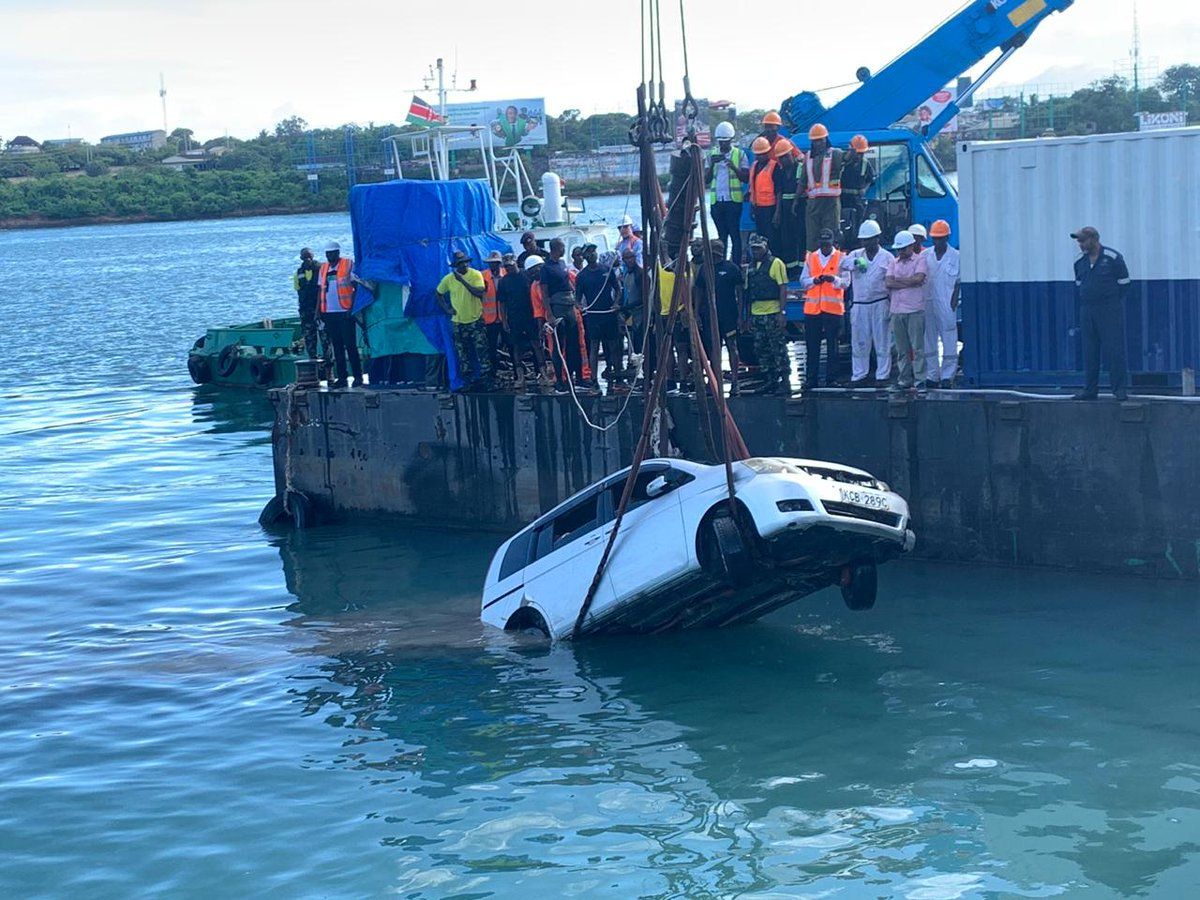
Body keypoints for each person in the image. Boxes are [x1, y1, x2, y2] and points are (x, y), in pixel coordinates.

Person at [1071, 225, 1130, 400]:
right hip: (1087, 311)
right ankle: (1090, 390)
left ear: (1094, 239)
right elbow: (1079, 284)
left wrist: (1109, 301)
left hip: (1109, 311)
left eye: (1083, 240)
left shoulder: (1112, 258)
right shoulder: (1079, 262)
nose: (1080, 244)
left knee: (1114, 350)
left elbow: (1124, 283)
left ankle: (1119, 390)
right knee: (1090, 351)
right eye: (1079, 241)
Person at [840, 219, 894, 387]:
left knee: (882, 341)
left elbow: (892, 281)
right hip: (860, 304)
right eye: (863, 240)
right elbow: (841, 264)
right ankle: (859, 374)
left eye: (868, 239)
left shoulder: (887, 257)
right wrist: (855, 263)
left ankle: (882, 375)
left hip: (880, 303)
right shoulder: (856, 255)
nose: (865, 243)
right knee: (859, 342)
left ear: (877, 238)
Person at [694, 238, 745, 395]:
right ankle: (715, 381)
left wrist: (741, 316)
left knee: (732, 346)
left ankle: (735, 381)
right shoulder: (704, 269)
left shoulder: (731, 268)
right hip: (710, 315)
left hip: (729, 314)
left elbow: (740, 293)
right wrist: (696, 313)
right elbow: (699, 291)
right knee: (714, 348)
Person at [436, 250, 492, 391]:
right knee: (463, 354)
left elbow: (479, 292)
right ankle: (468, 382)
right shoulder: (449, 279)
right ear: (456, 266)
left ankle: (486, 381)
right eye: (461, 263)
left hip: (475, 320)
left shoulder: (475, 274)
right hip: (458, 322)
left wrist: (462, 280)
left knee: (482, 352)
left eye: (466, 262)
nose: (464, 265)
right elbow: (438, 293)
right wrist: (447, 309)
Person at [799, 228, 847, 391]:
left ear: (833, 242)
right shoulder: (811, 257)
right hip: (813, 310)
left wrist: (834, 279)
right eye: (822, 244)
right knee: (812, 347)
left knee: (833, 347)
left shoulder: (841, 257)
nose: (825, 247)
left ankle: (831, 379)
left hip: (833, 310)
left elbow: (846, 282)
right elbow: (803, 280)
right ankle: (811, 379)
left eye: (827, 244)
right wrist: (815, 280)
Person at [744, 233, 790, 394]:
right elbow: (748, 292)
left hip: (773, 312)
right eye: (753, 249)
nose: (755, 251)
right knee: (761, 349)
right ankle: (770, 380)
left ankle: (785, 381)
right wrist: (748, 317)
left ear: (766, 247)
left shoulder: (776, 263)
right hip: (756, 313)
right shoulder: (750, 267)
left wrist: (782, 312)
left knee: (778, 348)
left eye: (758, 248)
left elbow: (783, 288)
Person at [885, 231, 929, 392]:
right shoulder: (893, 262)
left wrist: (898, 281)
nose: (900, 252)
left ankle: (920, 379)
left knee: (918, 348)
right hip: (897, 311)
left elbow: (919, 279)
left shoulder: (920, 260)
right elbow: (888, 283)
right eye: (898, 249)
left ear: (911, 246)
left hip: (915, 310)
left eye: (903, 249)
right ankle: (904, 379)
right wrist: (909, 282)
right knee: (901, 349)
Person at [576, 244, 623, 391]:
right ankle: (594, 380)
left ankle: (618, 377)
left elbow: (618, 289)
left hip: (609, 313)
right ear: (584, 256)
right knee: (594, 347)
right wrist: (580, 307)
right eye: (589, 252)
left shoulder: (606, 270)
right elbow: (577, 298)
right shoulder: (581, 276)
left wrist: (616, 303)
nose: (592, 254)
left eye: (594, 251)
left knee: (614, 346)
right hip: (593, 316)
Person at [318, 241, 364, 388]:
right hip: (329, 312)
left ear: (337, 253)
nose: (329, 256)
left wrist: (352, 308)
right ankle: (342, 378)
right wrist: (318, 311)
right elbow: (320, 290)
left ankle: (357, 377)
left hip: (345, 312)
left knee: (350, 346)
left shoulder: (348, 264)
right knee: (337, 347)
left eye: (332, 253)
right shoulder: (323, 268)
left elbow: (355, 286)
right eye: (327, 254)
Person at [541, 238, 586, 391]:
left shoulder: (562, 264)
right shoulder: (546, 268)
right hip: (557, 307)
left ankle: (577, 377)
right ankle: (560, 380)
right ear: (555, 248)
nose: (563, 249)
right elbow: (544, 293)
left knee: (574, 343)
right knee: (559, 345)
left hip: (569, 305)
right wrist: (550, 314)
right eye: (562, 247)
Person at [499, 252, 546, 391]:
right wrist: (504, 321)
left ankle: (543, 374)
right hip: (514, 318)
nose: (509, 268)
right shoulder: (503, 281)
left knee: (536, 345)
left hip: (530, 316)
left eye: (510, 265)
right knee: (516, 347)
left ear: (515, 263)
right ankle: (520, 377)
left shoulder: (526, 275)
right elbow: (502, 303)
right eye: (506, 266)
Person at [922, 219, 960, 388]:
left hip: (946, 301)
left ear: (947, 237)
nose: (937, 241)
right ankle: (932, 374)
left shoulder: (956, 257)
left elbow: (959, 281)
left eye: (941, 238)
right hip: (927, 302)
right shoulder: (925, 256)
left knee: (949, 337)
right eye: (935, 238)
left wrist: (954, 300)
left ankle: (947, 375)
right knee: (929, 339)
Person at [706, 121, 749, 265]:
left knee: (735, 235)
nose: (723, 144)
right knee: (721, 236)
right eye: (720, 141)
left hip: (733, 202)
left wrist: (734, 167)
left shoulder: (740, 154)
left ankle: (735, 266)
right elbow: (706, 180)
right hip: (717, 202)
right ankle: (721, 265)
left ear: (731, 140)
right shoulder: (711, 155)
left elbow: (746, 178)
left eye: (725, 141)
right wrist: (712, 164)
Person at [798, 123, 842, 251]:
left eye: (820, 140)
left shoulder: (835, 154)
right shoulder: (807, 157)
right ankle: (812, 263)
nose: (818, 143)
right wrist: (795, 199)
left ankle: (832, 262)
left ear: (826, 139)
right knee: (812, 238)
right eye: (815, 141)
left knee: (831, 235)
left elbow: (849, 159)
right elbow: (803, 181)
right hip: (813, 205)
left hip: (831, 204)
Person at [772, 139, 803, 277]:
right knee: (787, 237)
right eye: (781, 157)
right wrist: (777, 212)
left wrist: (796, 202)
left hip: (800, 205)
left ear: (792, 154)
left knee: (801, 236)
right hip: (785, 207)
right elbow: (779, 192)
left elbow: (803, 186)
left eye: (786, 156)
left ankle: (801, 268)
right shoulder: (779, 172)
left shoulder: (800, 167)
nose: (784, 160)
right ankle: (790, 269)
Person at [480, 251, 510, 382]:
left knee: (511, 345)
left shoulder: (507, 275)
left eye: (496, 263)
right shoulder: (482, 276)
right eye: (491, 263)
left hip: (505, 318)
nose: (493, 265)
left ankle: (517, 372)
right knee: (491, 347)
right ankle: (493, 373)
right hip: (489, 319)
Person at [748, 137, 779, 255]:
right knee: (760, 237)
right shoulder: (754, 166)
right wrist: (752, 206)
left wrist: (777, 212)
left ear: (767, 153)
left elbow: (779, 192)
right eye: (757, 154)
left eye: (762, 154)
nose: (760, 157)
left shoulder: (774, 166)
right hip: (758, 207)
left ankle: (772, 258)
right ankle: (762, 258)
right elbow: (752, 187)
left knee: (771, 237)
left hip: (770, 208)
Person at [841, 135, 876, 239]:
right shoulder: (842, 162)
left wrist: (864, 189)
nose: (859, 156)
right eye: (857, 153)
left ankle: (857, 240)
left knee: (859, 222)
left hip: (856, 199)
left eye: (862, 153)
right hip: (842, 198)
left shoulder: (865, 163)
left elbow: (870, 179)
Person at [293, 247, 321, 359]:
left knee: (325, 336)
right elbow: (298, 290)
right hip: (306, 310)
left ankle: (328, 360)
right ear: (301, 258)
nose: (307, 259)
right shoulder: (298, 273)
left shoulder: (321, 269)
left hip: (321, 308)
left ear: (313, 256)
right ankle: (312, 357)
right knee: (309, 335)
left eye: (309, 256)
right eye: (305, 257)